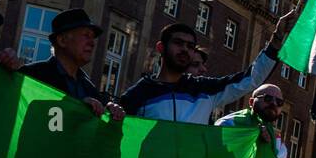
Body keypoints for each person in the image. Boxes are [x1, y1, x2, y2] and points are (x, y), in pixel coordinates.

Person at [117, 15, 290, 123]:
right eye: (178, 43)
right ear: (161, 48)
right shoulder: (138, 94)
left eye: (190, 46)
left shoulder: (204, 90)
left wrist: (276, 40)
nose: (185, 49)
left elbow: (251, 79)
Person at [20, 9, 124, 121]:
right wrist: (78, 106)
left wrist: (110, 110)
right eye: (86, 35)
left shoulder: (89, 87)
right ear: (62, 40)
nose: (92, 42)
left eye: (93, 37)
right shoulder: (31, 76)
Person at [214, 83, 292, 158]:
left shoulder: (276, 140)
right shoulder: (230, 123)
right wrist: (252, 139)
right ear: (251, 102)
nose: (274, 103)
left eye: (279, 102)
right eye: (268, 98)